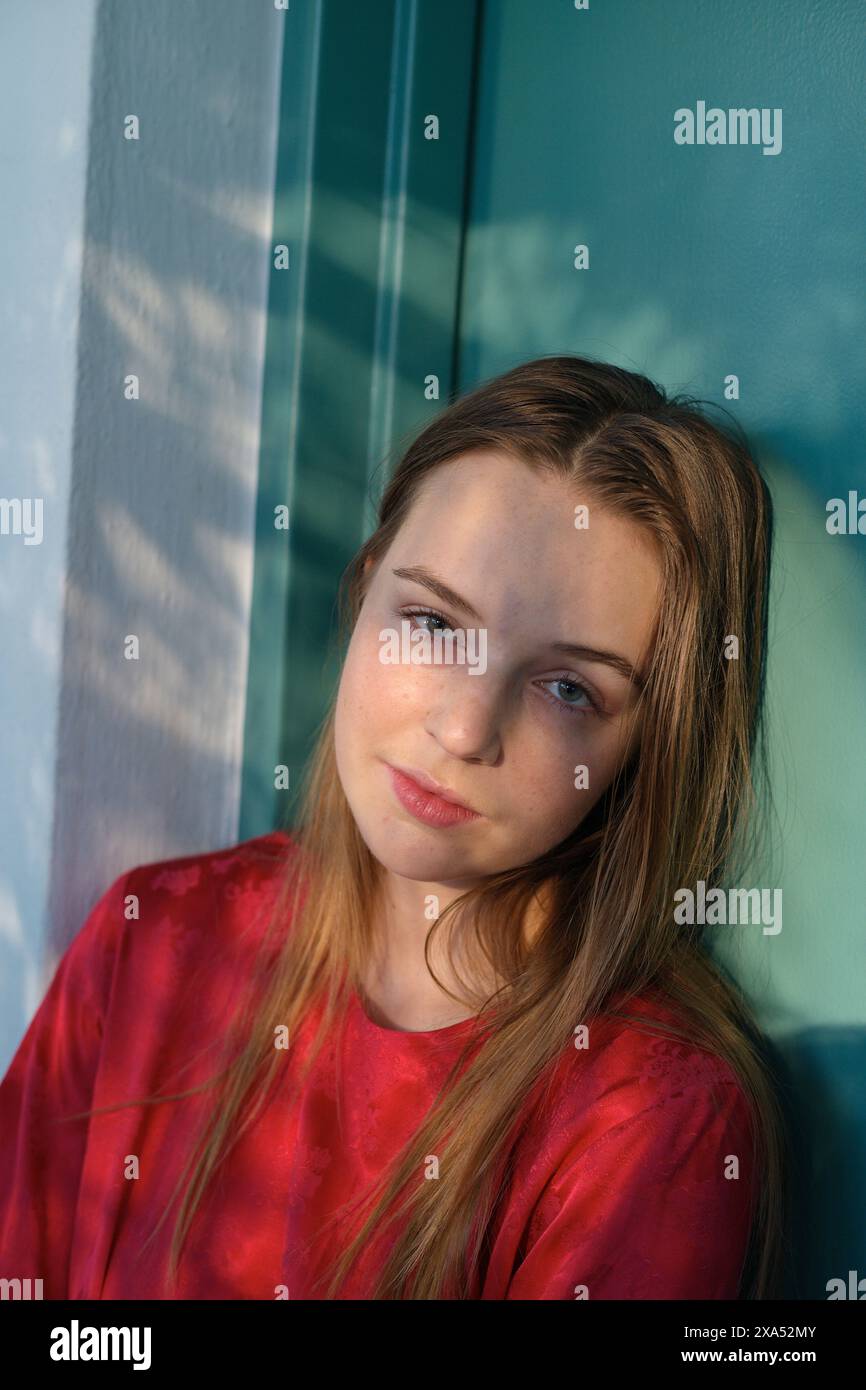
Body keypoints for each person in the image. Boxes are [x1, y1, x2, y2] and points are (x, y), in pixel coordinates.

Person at [0, 354, 786, 1300]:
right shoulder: (156, 937)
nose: (462, 728)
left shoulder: (648, 1116)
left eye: (569, 687)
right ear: (365, 585)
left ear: (646, 749)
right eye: (434, 622)